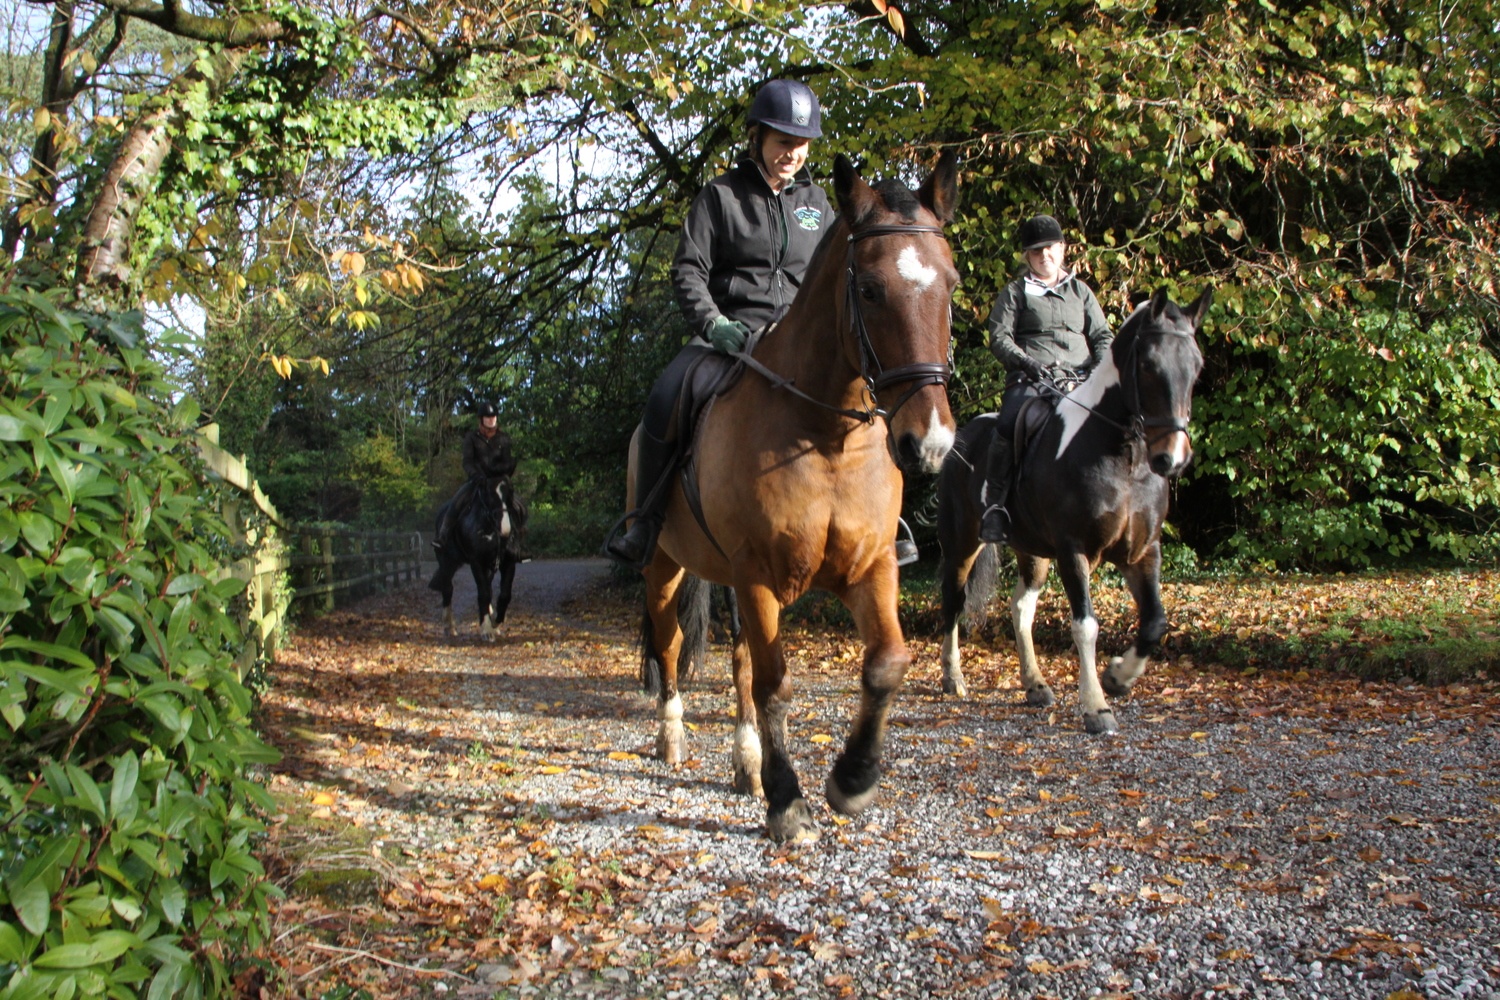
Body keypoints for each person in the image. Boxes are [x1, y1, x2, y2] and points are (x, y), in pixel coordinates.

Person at [604, 78, 836, 567]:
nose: (792, 154)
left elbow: (839, 274)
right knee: (667, 392)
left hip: (800, 339)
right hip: (731, 334)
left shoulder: (818, 205)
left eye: (801, 144)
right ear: (757, 138)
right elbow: (689, 268)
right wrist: (713, 324)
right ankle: (644, 522)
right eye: (783, 143)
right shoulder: (721, 196)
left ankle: (883, 518)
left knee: (864, 390)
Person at [979, 214, 1114, 543]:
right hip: (1032, 381)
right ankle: (994, 506)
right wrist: (1025, 363)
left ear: (1062, 249)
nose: (1044, 256)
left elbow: (1102, 337)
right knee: (1009, 423)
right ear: (1027, 256)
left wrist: (1099, 372)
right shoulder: (1015, 292)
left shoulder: (1081, 292)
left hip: (1082, 380)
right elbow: (999, 337)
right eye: (1036, 251)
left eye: (1050, 248)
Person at [434, 400, 517, 551]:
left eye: (493, 417)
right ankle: (443, 535)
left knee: (517, 505)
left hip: (499, 480)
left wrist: (502, 470)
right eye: (487, 417)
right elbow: (467, 461)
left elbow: (508, 461)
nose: (491, 420)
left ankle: (516, 542)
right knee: (457, 501)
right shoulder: (471, 438)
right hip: (478, 480)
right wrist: (476, 475)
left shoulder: (504, 438)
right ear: (481, 420)